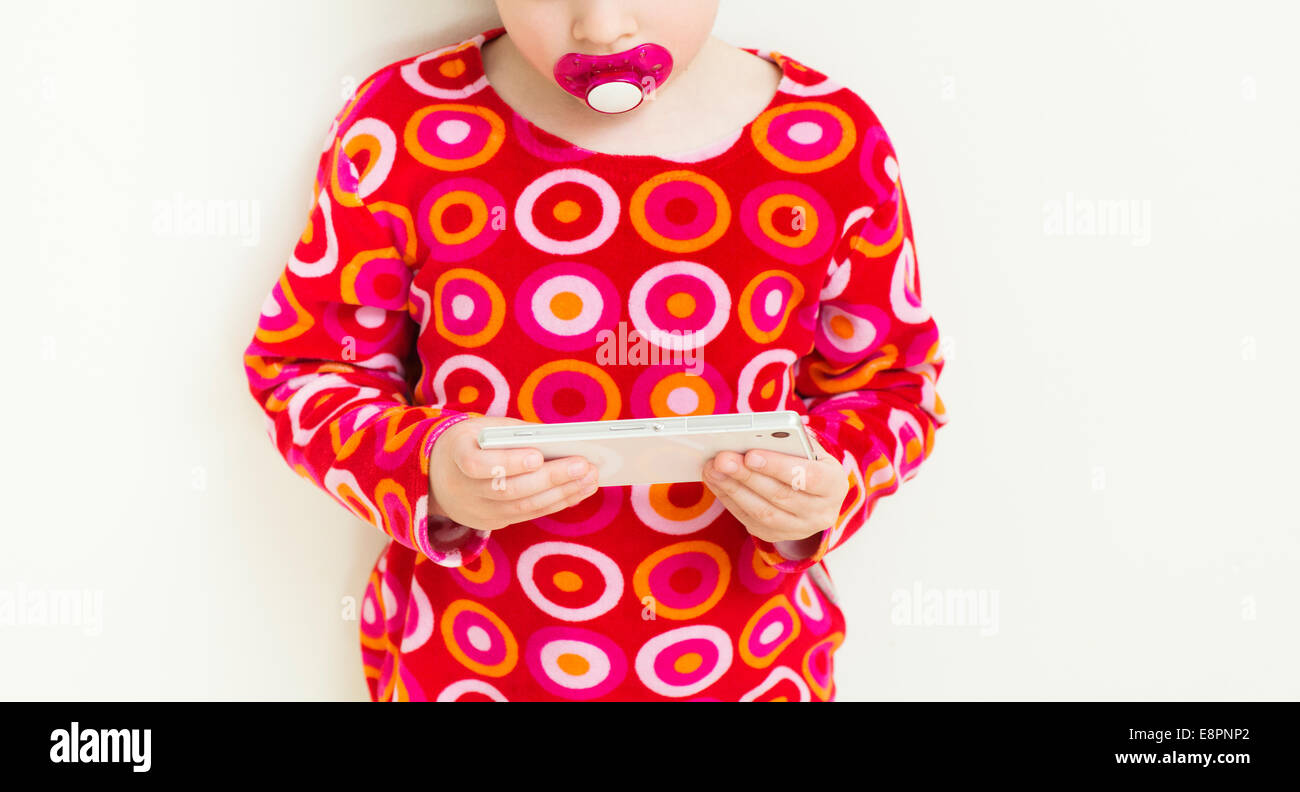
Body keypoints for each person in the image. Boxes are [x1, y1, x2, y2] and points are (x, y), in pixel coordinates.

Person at [241, 0, 948, 701]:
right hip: (466, 667)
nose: (602, 27)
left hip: (750, 671)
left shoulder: (831, 144)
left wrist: (830, 486)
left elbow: (893, 386)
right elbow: (306, 370)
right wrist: (425, 469)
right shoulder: (403, 126)